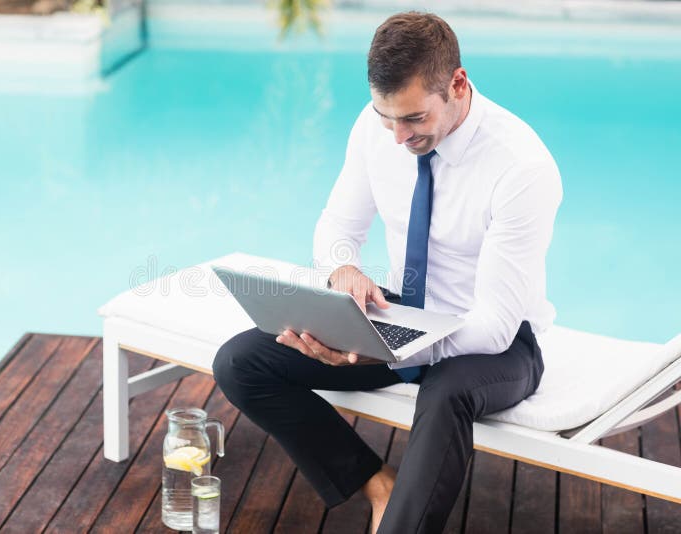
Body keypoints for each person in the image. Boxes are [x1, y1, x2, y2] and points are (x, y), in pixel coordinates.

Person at [213, 11, 562, 533]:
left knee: (446, 391)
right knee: (241, 361)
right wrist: (344, 272)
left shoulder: (521, 168)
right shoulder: (375, 126)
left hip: (500, 344)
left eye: (414, 119)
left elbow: (491, 327)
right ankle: (378, 484)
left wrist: (381, 343)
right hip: (404, 318)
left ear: (458, 84)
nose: (397, 136)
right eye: (386, 117)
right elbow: (336, 227)